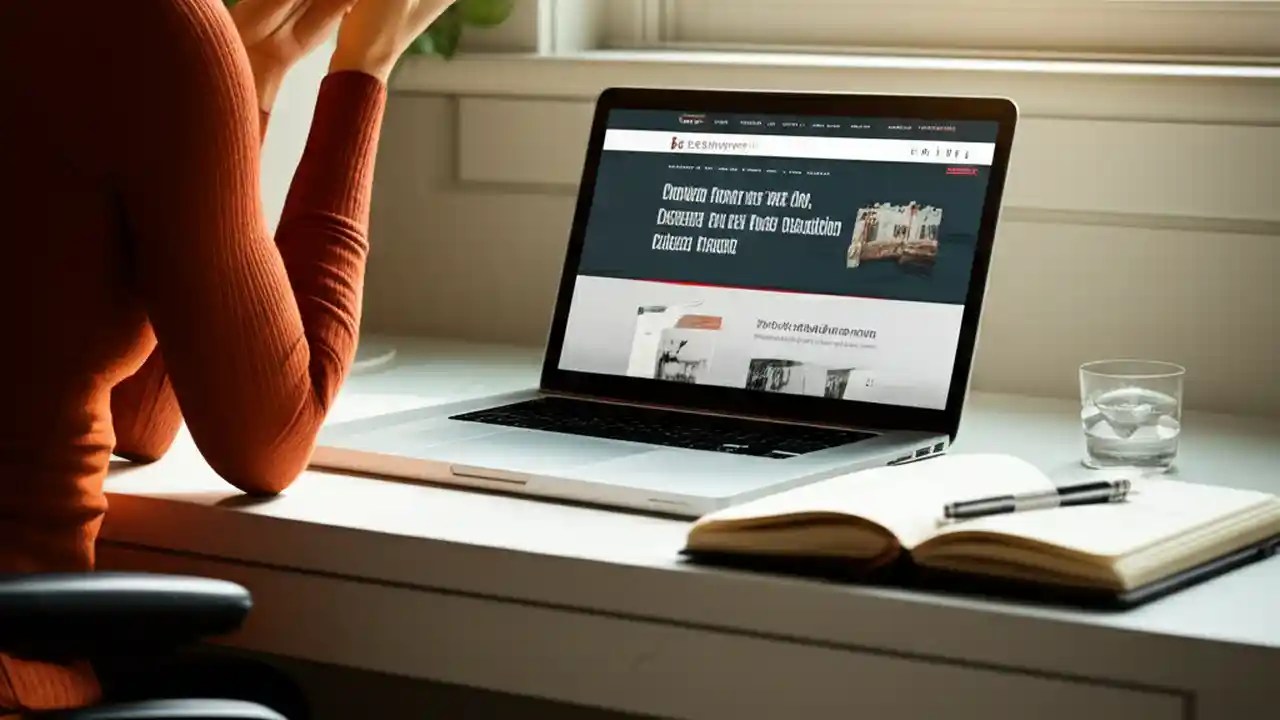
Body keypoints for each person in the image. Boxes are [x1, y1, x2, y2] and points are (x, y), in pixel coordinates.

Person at [0, 0, 457, 715]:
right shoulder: (148, 25)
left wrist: (251, 73)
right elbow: (270, 441)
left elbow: (131, 413)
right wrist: (365, 70)